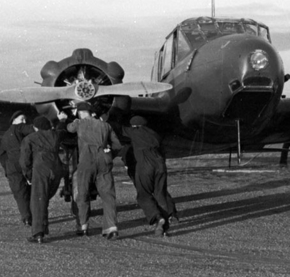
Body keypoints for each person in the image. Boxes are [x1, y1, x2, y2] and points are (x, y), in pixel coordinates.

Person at [67, 102, 123, 240]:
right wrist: (109, 154)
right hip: (104, 160)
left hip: (86, 161)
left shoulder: (79, 123)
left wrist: (69, 120)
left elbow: (69, 129)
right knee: (108, 195)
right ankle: (111, 227)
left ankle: (83, 226)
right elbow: (117, 145)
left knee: (83, 193)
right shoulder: (105, 125)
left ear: (79, 113)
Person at [122, 115, 178, 237]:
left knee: (143, 195)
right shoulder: (155, 134)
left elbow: (119, 128)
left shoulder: (135, 132)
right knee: (160, 193)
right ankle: (166, 222)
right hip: (160, 166)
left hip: (145, 166)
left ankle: (157, 217)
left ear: (135, 126)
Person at [19, 116, 65, 244]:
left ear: (35, 127)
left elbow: (24, 161)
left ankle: (38, 233)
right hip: (56, 169)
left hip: (41, 170)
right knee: (45, 198)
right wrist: (61, 121)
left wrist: (28, 175)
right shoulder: (55, 135)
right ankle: (43, 226)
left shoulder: (29, 138)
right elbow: (62, 131)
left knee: (38, 201)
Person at [0, 110, 35, 227]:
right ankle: (33, 215)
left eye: (25, 120)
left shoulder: (5, 135)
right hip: (25, 163)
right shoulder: (19, 128)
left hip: (12, 167)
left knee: (19, 193)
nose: (24, 122)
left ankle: (26, 217)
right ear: (14, 121)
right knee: (31, 191)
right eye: (22, 119)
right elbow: (34, 129)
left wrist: (7, 169)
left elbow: (2, 155)